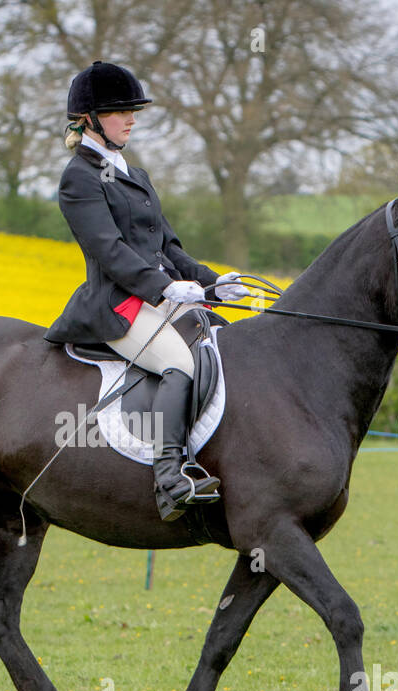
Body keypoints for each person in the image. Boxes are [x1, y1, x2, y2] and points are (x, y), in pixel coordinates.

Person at [45, 61, 249, 522]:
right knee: (179, 363)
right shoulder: (78, 177)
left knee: (217, 342)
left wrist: (215, 283)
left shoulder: (135, 174)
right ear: (89, 120)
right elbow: (109, 250)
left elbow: (169, 248)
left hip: (154, 298)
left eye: (133, 111)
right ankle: (170, 476)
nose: (131, 119)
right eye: (121, 112)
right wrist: (165, 288)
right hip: (116, 306)